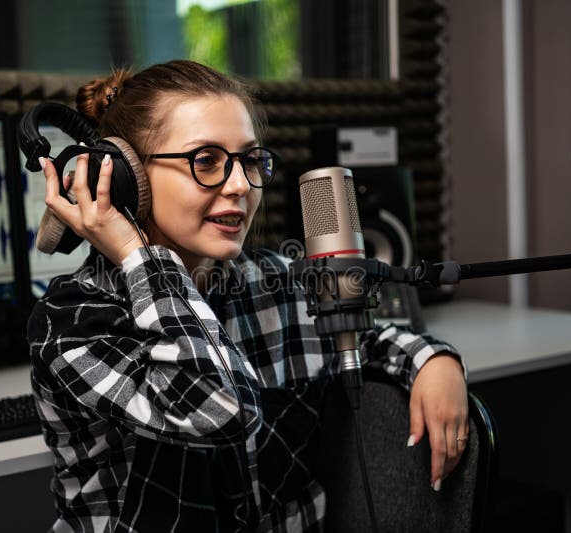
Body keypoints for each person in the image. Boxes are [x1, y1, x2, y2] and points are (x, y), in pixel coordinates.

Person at [27, 59, 469, 533]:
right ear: (123, 180)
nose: (240, 185)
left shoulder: (275, 281)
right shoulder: (73, 322)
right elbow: (219, 409)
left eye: (250, 160)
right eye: (207, 161)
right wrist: (139, 254)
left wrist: (433, 360)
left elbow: (367, 341)